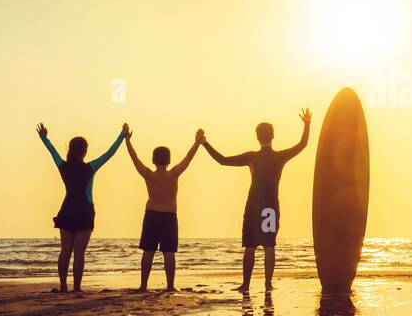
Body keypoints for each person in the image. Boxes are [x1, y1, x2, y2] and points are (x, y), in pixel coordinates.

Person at [203, 109, 311, 295]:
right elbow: (302, 144)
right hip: (270, 207)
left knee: (250, 246)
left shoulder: (252, 157)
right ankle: (268, 284)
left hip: (253, 207)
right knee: (269, 246)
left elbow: (222, 160)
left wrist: (204, 143)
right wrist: (307, 124)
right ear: (273, 136)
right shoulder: (279, 157)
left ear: (257, 137)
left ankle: (246, 285)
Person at [36, 121, 126, 293]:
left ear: (70, 149)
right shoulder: (90, 167)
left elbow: (52, 151)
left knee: (65, 251)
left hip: (67, 211)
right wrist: (122, 135)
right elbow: (110, 153)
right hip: (84, 211)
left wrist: (44, 138)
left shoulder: (62, 166)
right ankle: (76, 287)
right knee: (79, 253)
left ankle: (63, 286)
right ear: (84, 151)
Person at [125, 126, 203, 291]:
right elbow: (188, 157)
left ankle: (143, 285)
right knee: (169, 252)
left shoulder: (149, 174)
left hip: (151, 215)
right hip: (169, 216)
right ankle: (170, 286)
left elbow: (134, 157)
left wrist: (127, 140)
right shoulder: (173, 173)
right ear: (169, 160)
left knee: (148, 251)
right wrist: (197, 142)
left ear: (153, 160)